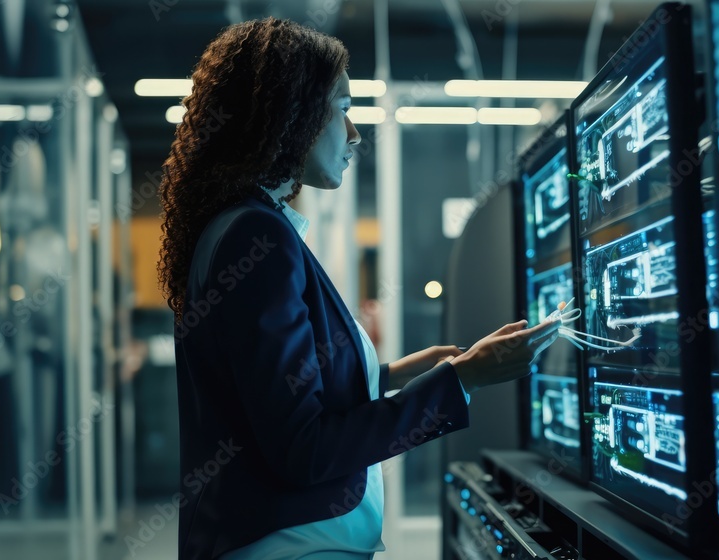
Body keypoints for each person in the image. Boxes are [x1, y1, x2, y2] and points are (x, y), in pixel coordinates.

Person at [158, 17, 559, 560]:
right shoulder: (256, 237)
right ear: (289, 112)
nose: (354, 134)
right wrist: (461, 381)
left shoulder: (240, 227)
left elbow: (277, 397)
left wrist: (393, 373)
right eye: (343, 110)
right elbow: (304, 450)